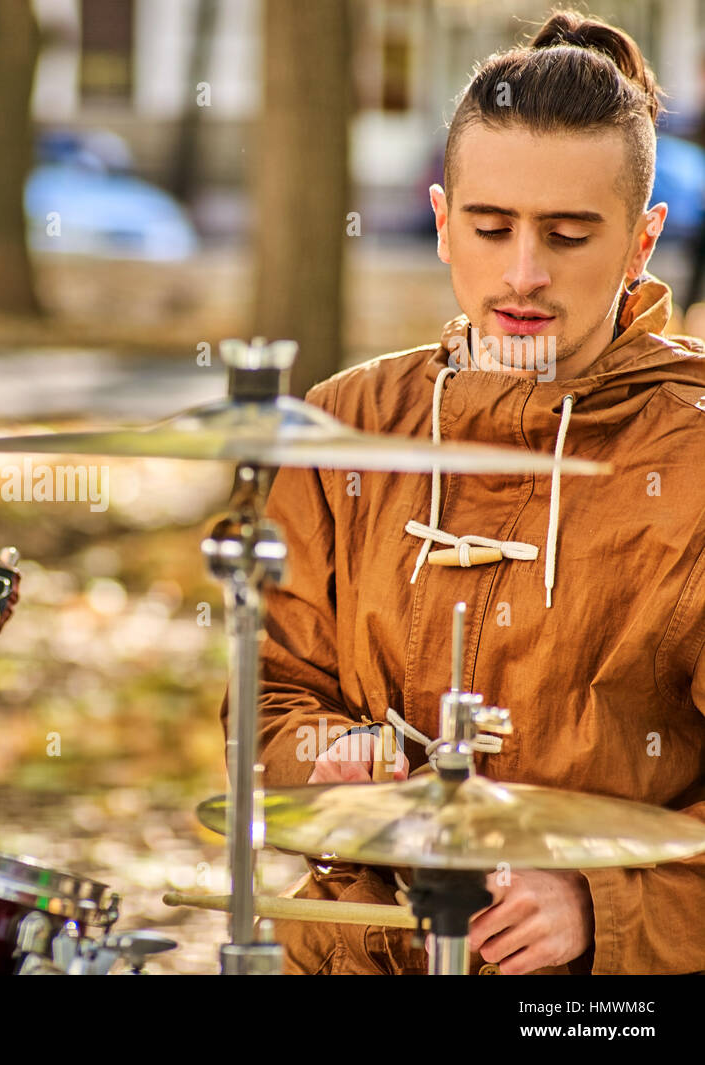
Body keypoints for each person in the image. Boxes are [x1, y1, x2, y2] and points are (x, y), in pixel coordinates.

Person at [231, 9, 705, 975]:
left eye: (570, 235)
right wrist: (321, 754)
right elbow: (271, 698)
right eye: (492, 228)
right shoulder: (344, 427)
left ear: (642, 241)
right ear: (443, 223)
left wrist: (602, 902)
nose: (522, 275)